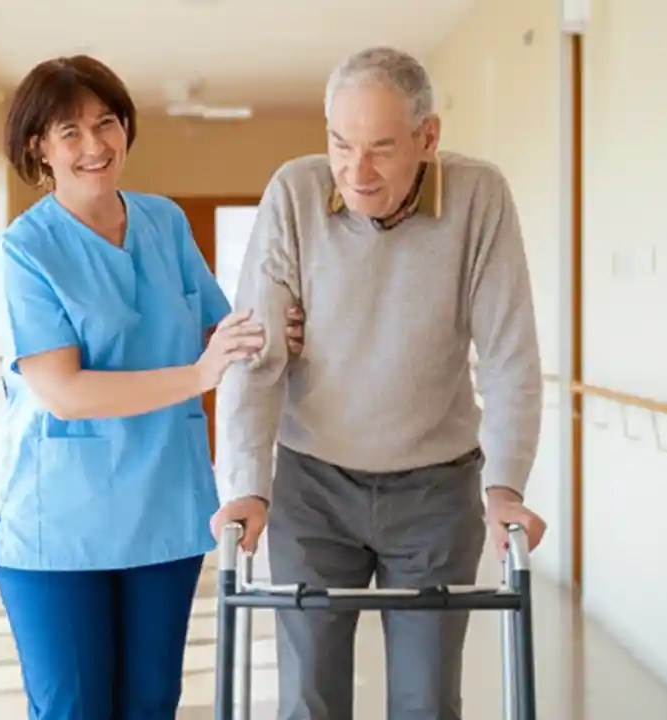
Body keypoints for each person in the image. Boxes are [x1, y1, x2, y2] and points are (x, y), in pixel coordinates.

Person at [210, 47, 549, 720]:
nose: (356, 172)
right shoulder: (295, 193)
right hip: (313, 487)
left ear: (429, 138)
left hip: (435, 487)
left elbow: (510, 352)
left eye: (381, 150)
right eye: (340, 143)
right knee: (309, 700)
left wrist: (505, 484)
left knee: (426, 700)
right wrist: (248, 484)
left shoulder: (479, 198)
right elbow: (257, 352)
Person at [0, 55, 300, 719]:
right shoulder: (24, 250)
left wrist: (273, 328)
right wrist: (198, 374)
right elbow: (62, 391)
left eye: (106, 123)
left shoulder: (163, 222)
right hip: (58, 526)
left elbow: (220, 330)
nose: (94, 145)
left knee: (153, 702)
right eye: (70, 131)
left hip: (162, 511)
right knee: (75, 707)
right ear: (38, 147)